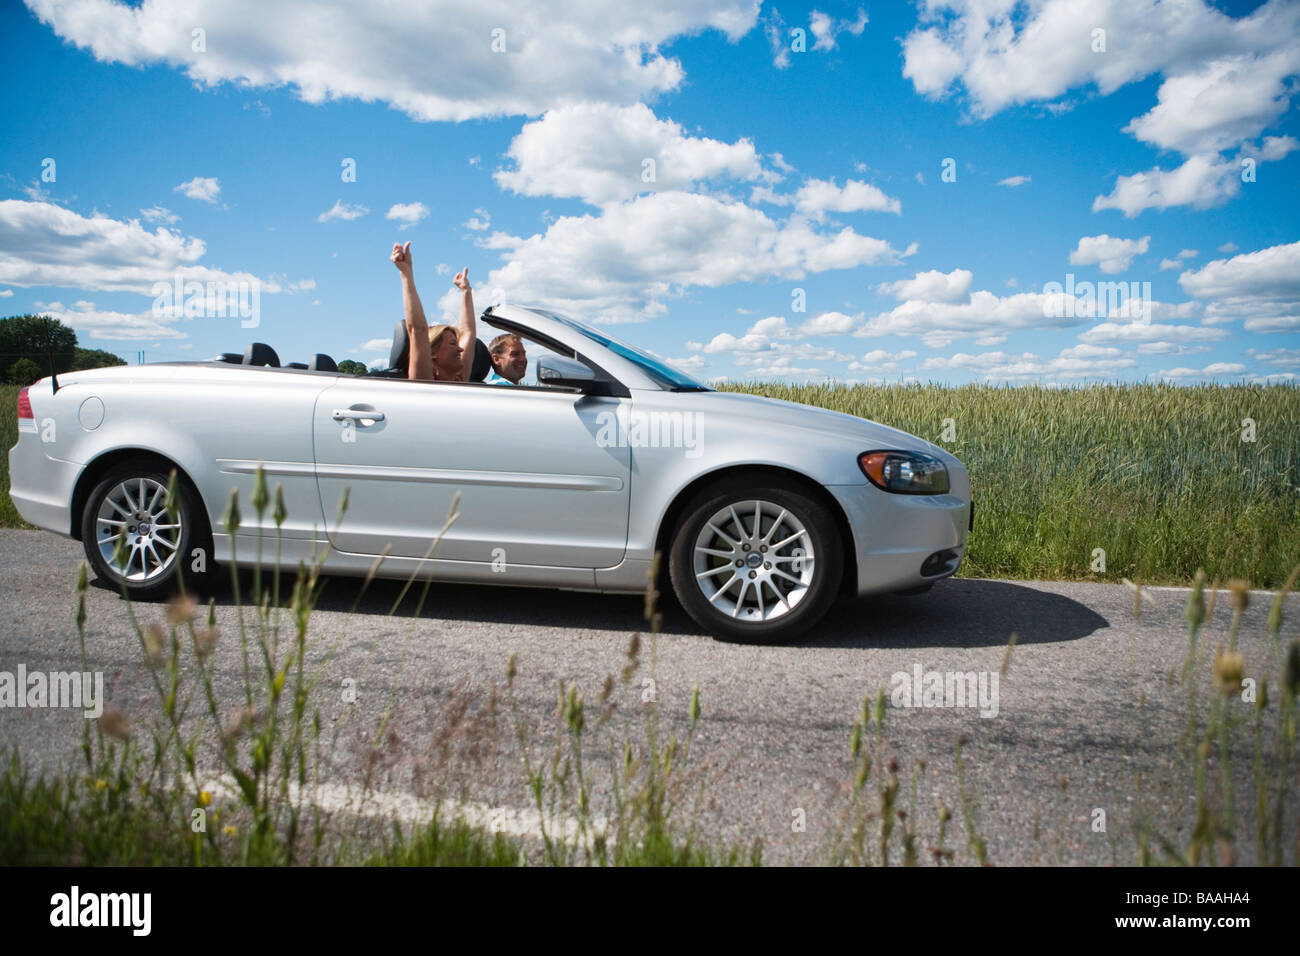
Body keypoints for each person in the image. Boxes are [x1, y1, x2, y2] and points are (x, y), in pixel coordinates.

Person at [390, 240, 475, 381]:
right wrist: (406, 273)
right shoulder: (425, 380)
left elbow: (468, 334)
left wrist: (466, 291)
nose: (461, 349)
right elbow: (418, 330)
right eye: (453, 344)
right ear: (433, 353)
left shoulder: (459, 379)